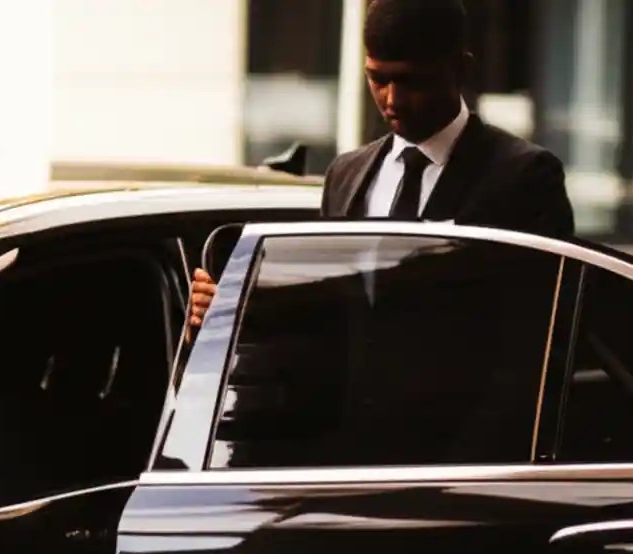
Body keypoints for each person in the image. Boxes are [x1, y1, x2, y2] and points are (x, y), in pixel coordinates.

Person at [187, 0, 575, 335]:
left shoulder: (524, 177)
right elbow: (326, 321)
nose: (393, 99)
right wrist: (228, 314)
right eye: (378, 79)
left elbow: (537, 335)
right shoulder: (346, 176)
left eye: (410, 81)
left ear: (460, 69)